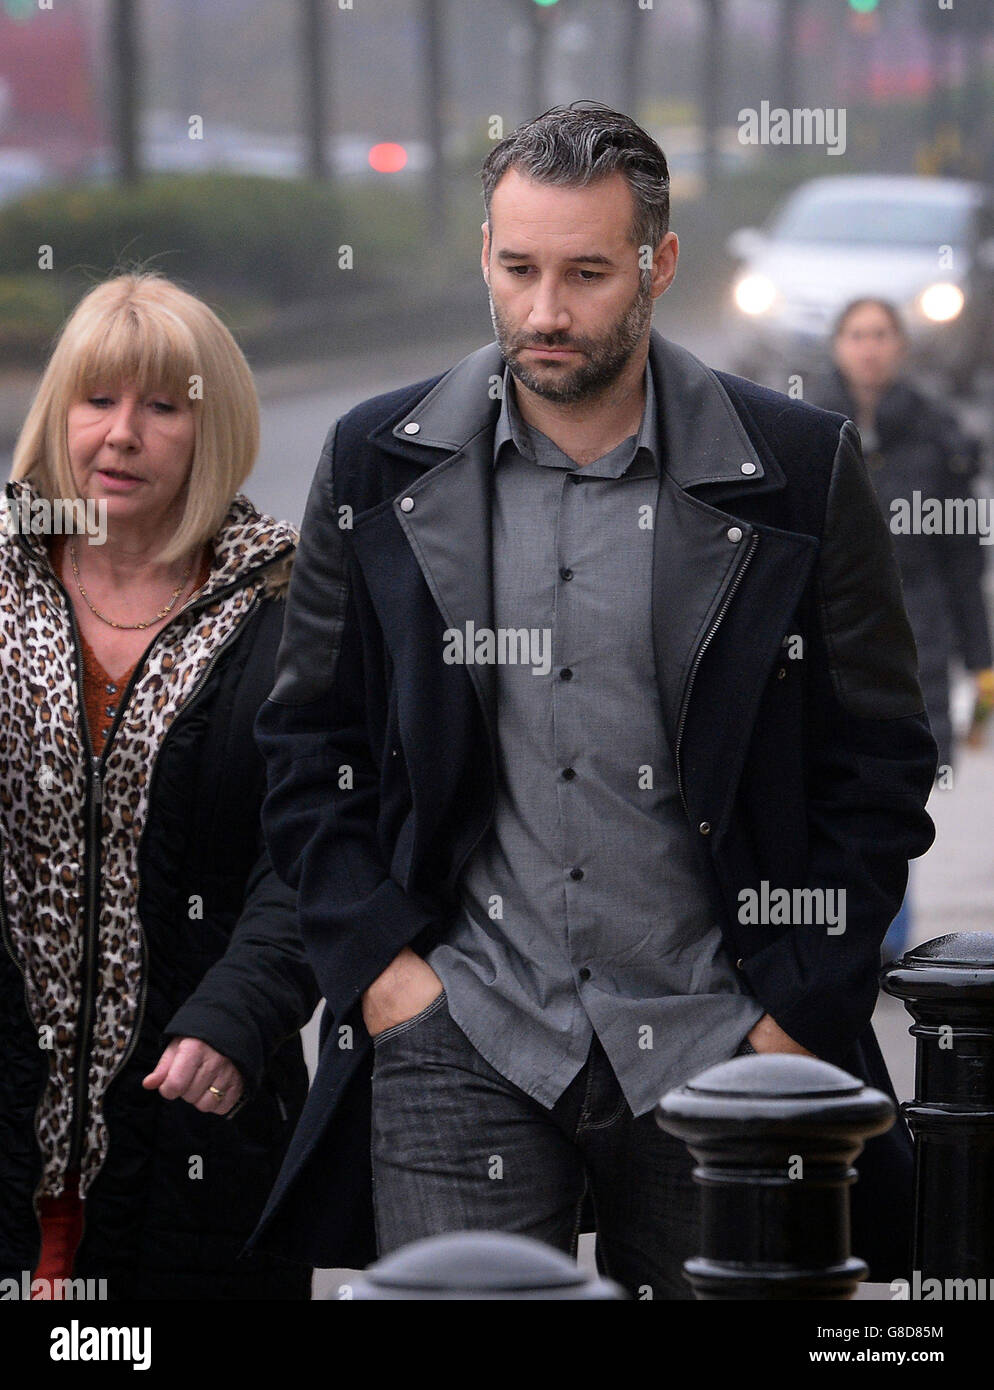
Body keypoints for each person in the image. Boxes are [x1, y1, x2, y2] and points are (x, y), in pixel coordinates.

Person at [250, 103, 938, 1297]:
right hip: (460, 1034)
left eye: (584, 273)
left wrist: (786, 1011)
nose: (544, 311)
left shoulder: (796, 465)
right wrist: (387, 976)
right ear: (484, 254)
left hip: (722, 1049)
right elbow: (306, 742)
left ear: (659, 265)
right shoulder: (376, 461)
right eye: (517, 269)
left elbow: (877, 765)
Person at [0, 271, 319, 1299]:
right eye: (97, 401)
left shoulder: (290, 607)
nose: (121, 435)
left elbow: (315, 844)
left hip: (197, 1130)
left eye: (162, 407)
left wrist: (240, 1012)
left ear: (211, 427)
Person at [808, 298, 994, 959]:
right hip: (822, 642)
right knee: (823, 783)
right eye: (856, 333)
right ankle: (833, 932)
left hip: (918, 644)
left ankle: (886, 939)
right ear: (836, 345)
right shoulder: (800, 427)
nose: (869, 348)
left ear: (901, 346)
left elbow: (964, 559)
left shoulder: (939, 435)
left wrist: (984, 664)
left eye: (881, 335)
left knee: (896, 789)